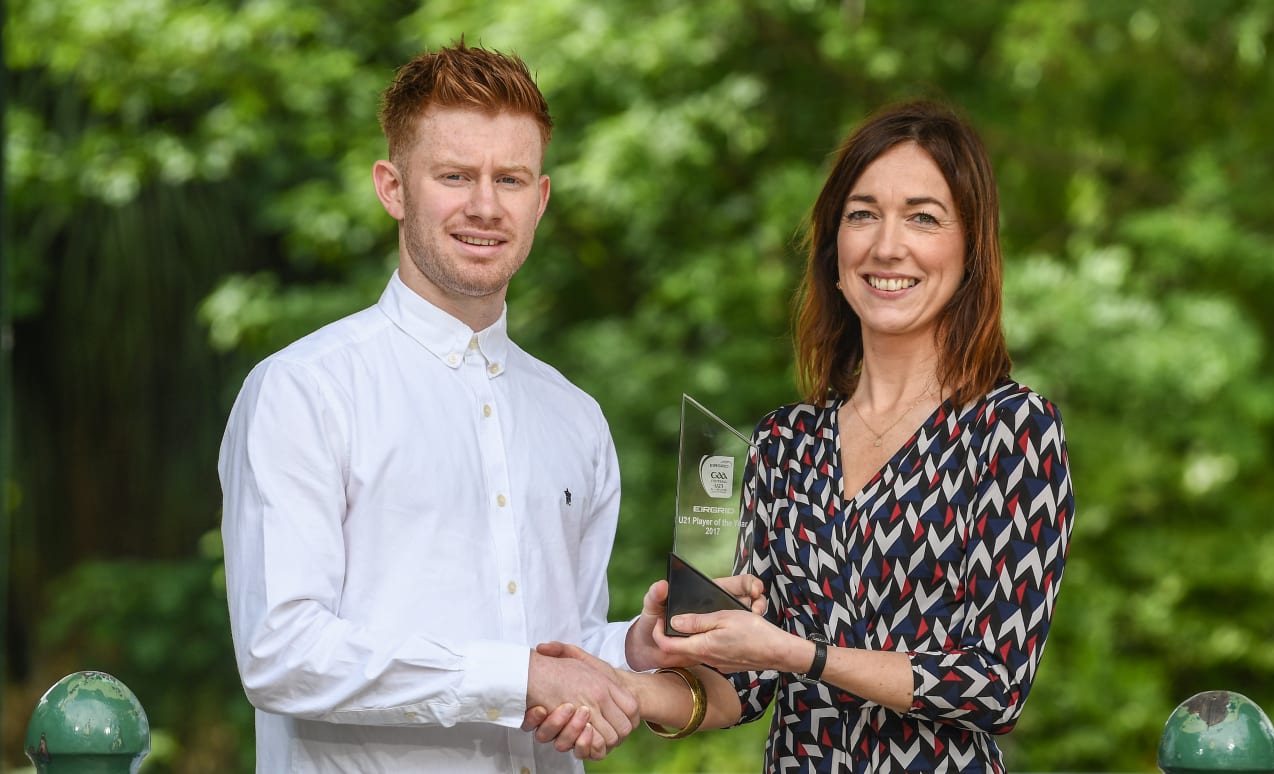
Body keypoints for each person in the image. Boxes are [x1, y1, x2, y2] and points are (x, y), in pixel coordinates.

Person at [218, 39, 763, 773]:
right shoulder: (304, 391)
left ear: (539, 199)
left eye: (510, 178)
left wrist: (632, 645)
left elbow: (558, 643)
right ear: (392, 187)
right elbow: (280, 653)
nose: (484, 205)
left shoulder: (576, 418)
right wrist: (522, 680)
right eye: (453, 175)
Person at [534, 99, 1075, 773]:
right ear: (834, 250)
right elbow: (746, 687)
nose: (886, 245)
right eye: (862, 214)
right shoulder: (785, 444)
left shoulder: (1012, 431)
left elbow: (995, 684)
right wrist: (633, 681)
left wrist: (794, 652)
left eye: (923, 217)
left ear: (969, 251)